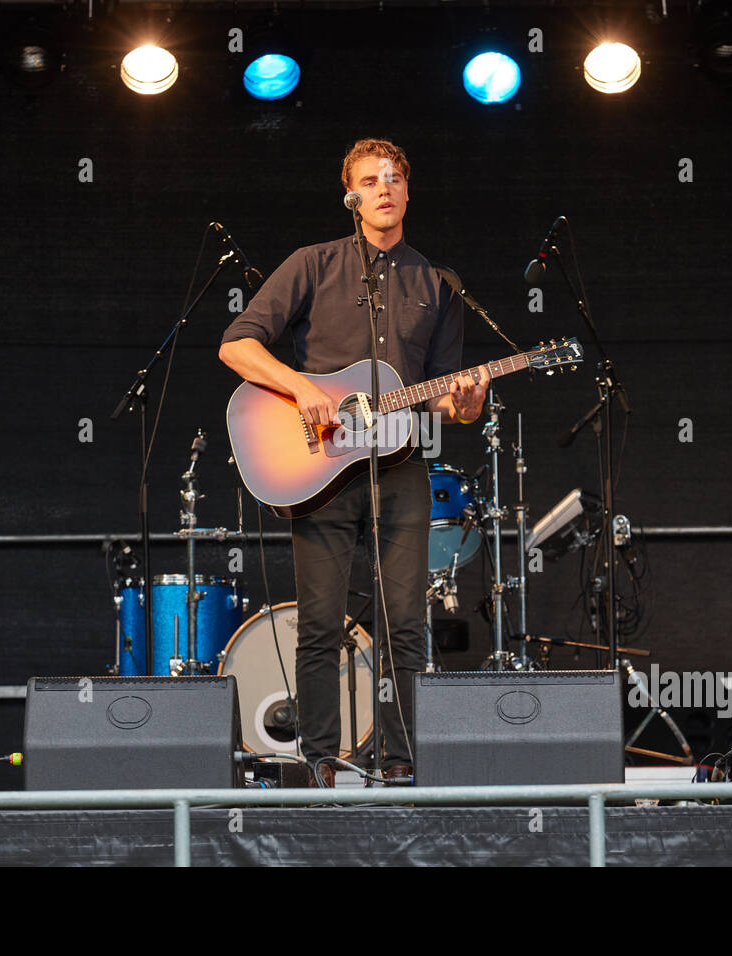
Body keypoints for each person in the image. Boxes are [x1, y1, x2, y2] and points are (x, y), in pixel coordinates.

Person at [219, 138, 489, 785]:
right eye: (371, 180)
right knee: (319, 625)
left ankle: (399, 762)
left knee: (405, 624)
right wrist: (302, 388)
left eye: (394, 177)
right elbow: (236, 346)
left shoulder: (439, 283)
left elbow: (451, 399)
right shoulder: (313, 265)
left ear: (407, 191)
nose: (385, 187)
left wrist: (469, 403)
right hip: (321, 474)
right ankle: (320, 764)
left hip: (401, 470)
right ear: (352, 196)